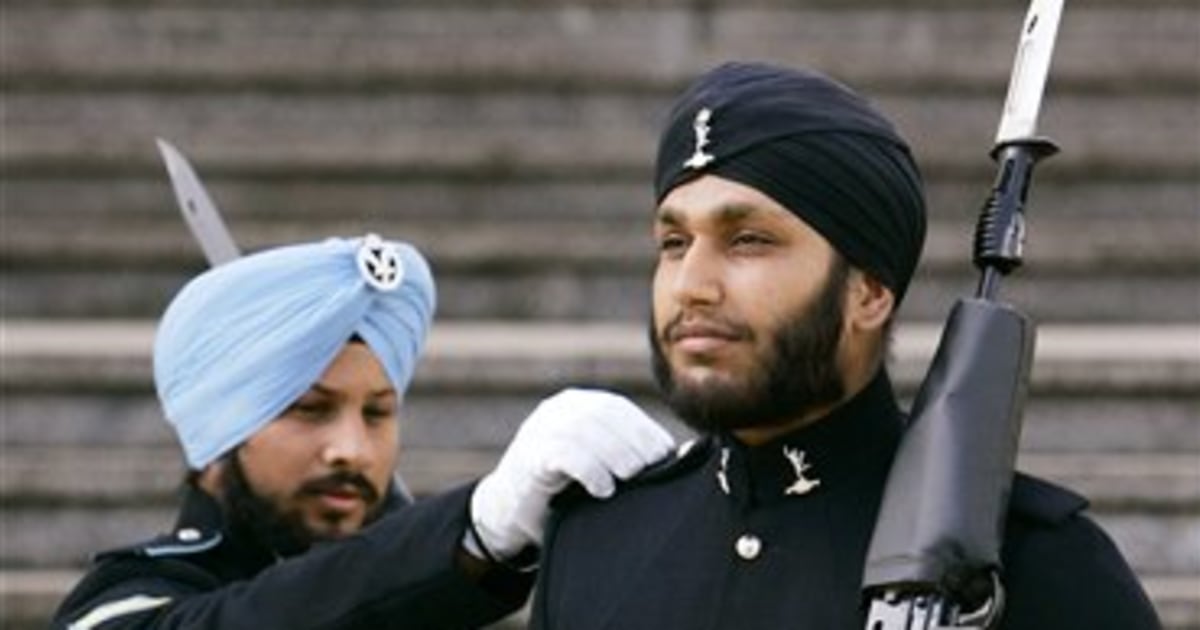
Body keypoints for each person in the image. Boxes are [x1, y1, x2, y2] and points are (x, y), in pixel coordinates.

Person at [526, 62, 1161, 629]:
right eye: (674, 243)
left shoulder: (1038, 565)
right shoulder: (596, 542)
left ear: (869, 294)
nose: (690, 285)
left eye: (748, 240)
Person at [52, 234, 674, 629]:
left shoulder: (424, 597)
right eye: (309, 409)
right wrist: (471, 533)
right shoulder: (122, 604)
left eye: (377, 413)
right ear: (219, 430)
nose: (351, 450)